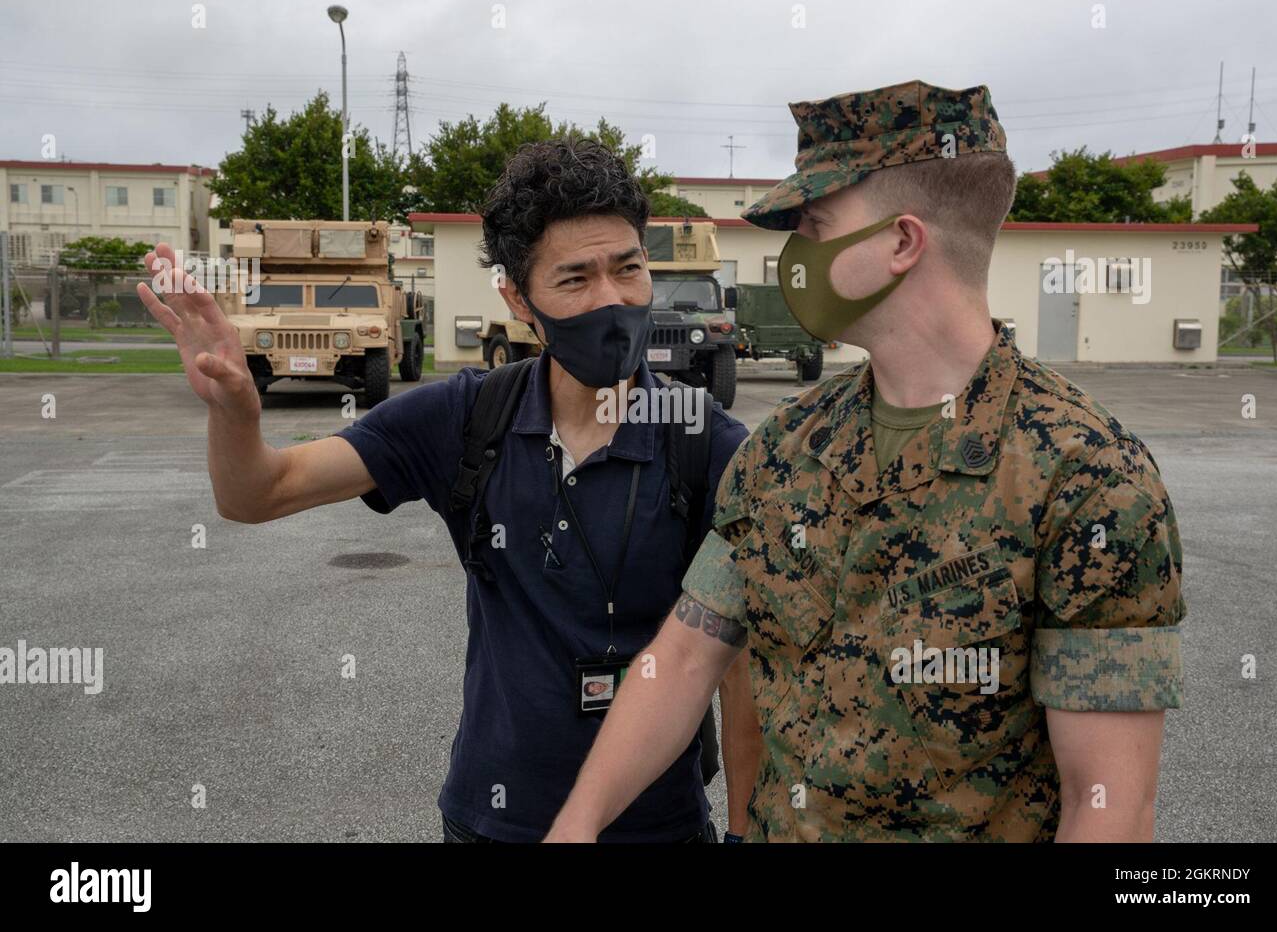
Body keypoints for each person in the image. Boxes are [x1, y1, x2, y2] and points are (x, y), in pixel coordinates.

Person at [546, 81, 1186, 842]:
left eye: (815, 225)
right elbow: (684, 660)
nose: (796, 256)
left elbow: (1106, 807)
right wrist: (576, 827)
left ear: (901, 242)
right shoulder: (785, 447)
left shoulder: (1089, 480)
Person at [136, 137, 758, 843]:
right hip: (492, 823)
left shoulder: (709, 443)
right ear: (519, 298)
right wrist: (234, 414)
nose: (612, 300)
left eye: (629, 268)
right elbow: (258, 494)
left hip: (661, 830)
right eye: (576, 280)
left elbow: (740, 671)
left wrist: (742, 833)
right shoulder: (465, 418)